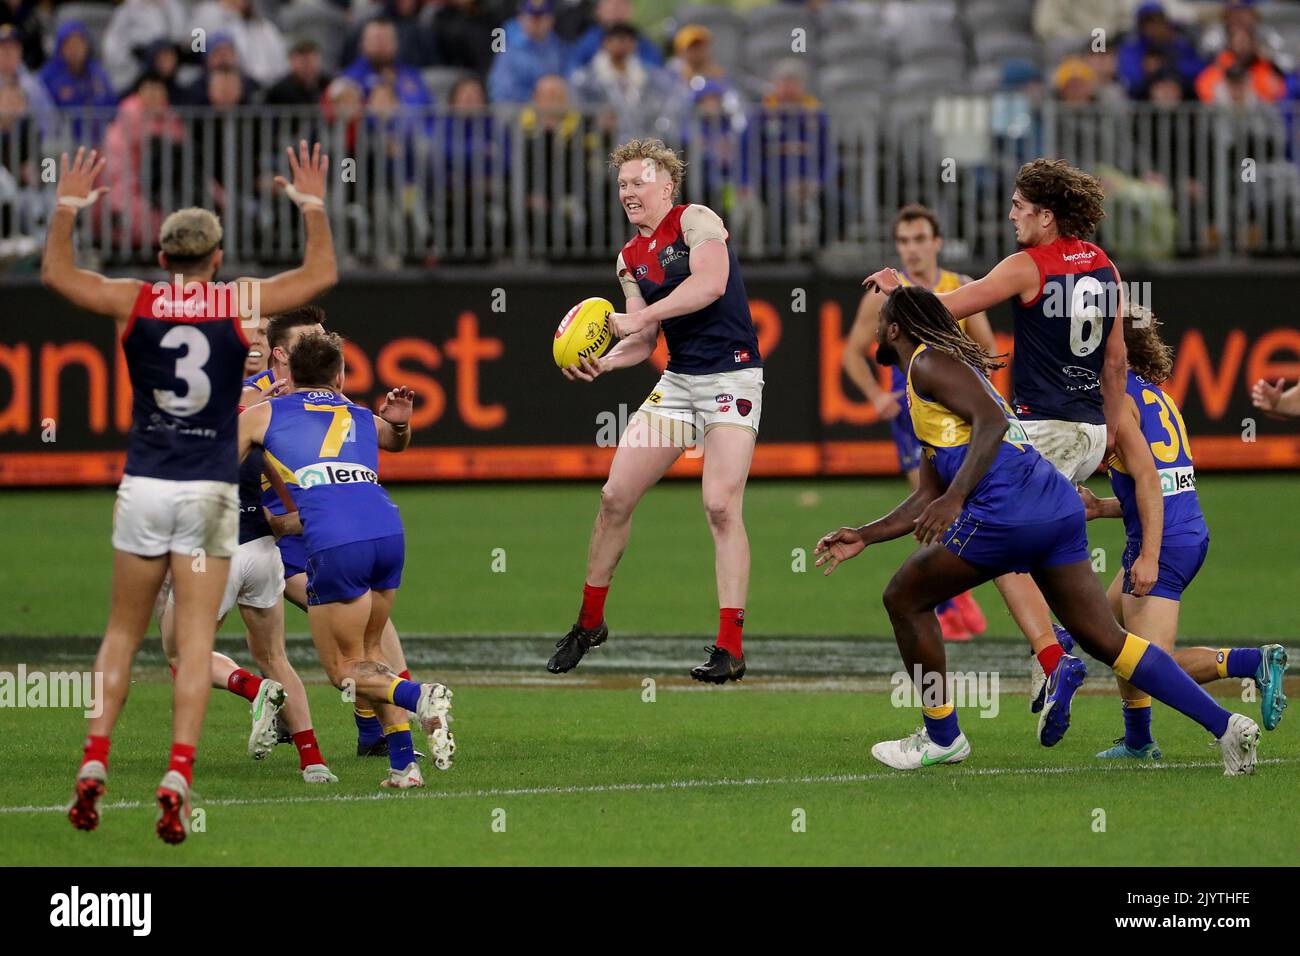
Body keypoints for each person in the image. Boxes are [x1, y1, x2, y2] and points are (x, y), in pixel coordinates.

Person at [815, 285, 1260, 775]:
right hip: (1056, 509)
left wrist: (957, 497)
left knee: (904, 598)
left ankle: (942, 735)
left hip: (1008, 512)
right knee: (1108, 641)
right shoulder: (932, 376)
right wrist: (864, 534)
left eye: (881, 319)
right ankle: (1226, 726)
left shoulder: (927, 363)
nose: (874, 328)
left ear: (895, 328)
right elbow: (926, 494)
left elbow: (990, 423)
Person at [51, 140, 336, 843]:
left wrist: (67, 206)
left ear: (162, 256)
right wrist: (312, 203)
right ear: (215, 257)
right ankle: (178, 771)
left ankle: (95, 758)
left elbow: (59, 274)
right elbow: (320, 272)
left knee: (124, 634)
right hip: (208, 493)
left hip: (144, 481)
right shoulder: (237, 301)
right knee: (197, 642)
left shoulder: (136, 300)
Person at [866, 158, 1127, 742]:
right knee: (1030, 544)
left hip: (1044, 430)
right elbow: (1116, 362)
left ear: (1045, 214)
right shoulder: (1106, 268)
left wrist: (899, 294)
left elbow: (951, 308)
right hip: (1087, 433)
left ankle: (1053, 660)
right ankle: (1066, 652)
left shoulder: (1027, 264)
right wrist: (1110, 438)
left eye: (1018, 206)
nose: (1010, 215)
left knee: (995, 536)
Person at [548, 138, 763, 684]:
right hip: (680, 379)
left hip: (732, 376)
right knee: (615, 495)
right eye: (622, 185)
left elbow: (711, 285)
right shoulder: (628, 259)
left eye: (638, 182)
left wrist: (628, 324)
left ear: (668, 185)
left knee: (719, 505)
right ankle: (589, 624)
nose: (628, 192)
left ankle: (730, 647)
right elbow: (643, 339)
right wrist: (607, 360)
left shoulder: (697, 220)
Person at [238, 331, 456, 788]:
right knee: (373, 655)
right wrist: (399, 424)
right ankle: (403, 765)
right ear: (340, 375)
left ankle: (421, 696)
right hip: (387, 531)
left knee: (344, 673)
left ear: (289, 374)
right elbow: (395, 441)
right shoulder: (357, 412)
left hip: (336, 542)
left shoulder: (265, 412)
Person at [1079, 305, 1288, 758]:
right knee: (1110, 632)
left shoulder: (1120, 402)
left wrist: (1149, 555)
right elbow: (1161, 488)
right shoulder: (1155, 396)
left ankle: (1252, 663)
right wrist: (1101, 508)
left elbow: (1152, 485)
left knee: (1151, 664)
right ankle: (1138, 739)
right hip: (1181, 530)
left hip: (1163, 542)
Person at [845, 204, 994, 642]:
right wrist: (875, 396)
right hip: (913, 417)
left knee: (963, 504)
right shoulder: (882, 292)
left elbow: (986, 348)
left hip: (958, 415)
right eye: (903, 241)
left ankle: (955, 593)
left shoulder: (960, 287)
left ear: (937, 242)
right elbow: (852, 350)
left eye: (919, 239)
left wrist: (969, 389)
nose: (911, 250)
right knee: (929, 506)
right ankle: (950, 604)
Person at [487, 0, 570, 103]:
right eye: (532, 15)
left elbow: (571, 83)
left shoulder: (560, 49)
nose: (536, 21)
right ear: (520, 19)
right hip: (522, 113)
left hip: (557, 113)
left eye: (541, 15)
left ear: (551, 19)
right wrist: (537, 98)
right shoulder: (509, 53)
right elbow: (500, 93)